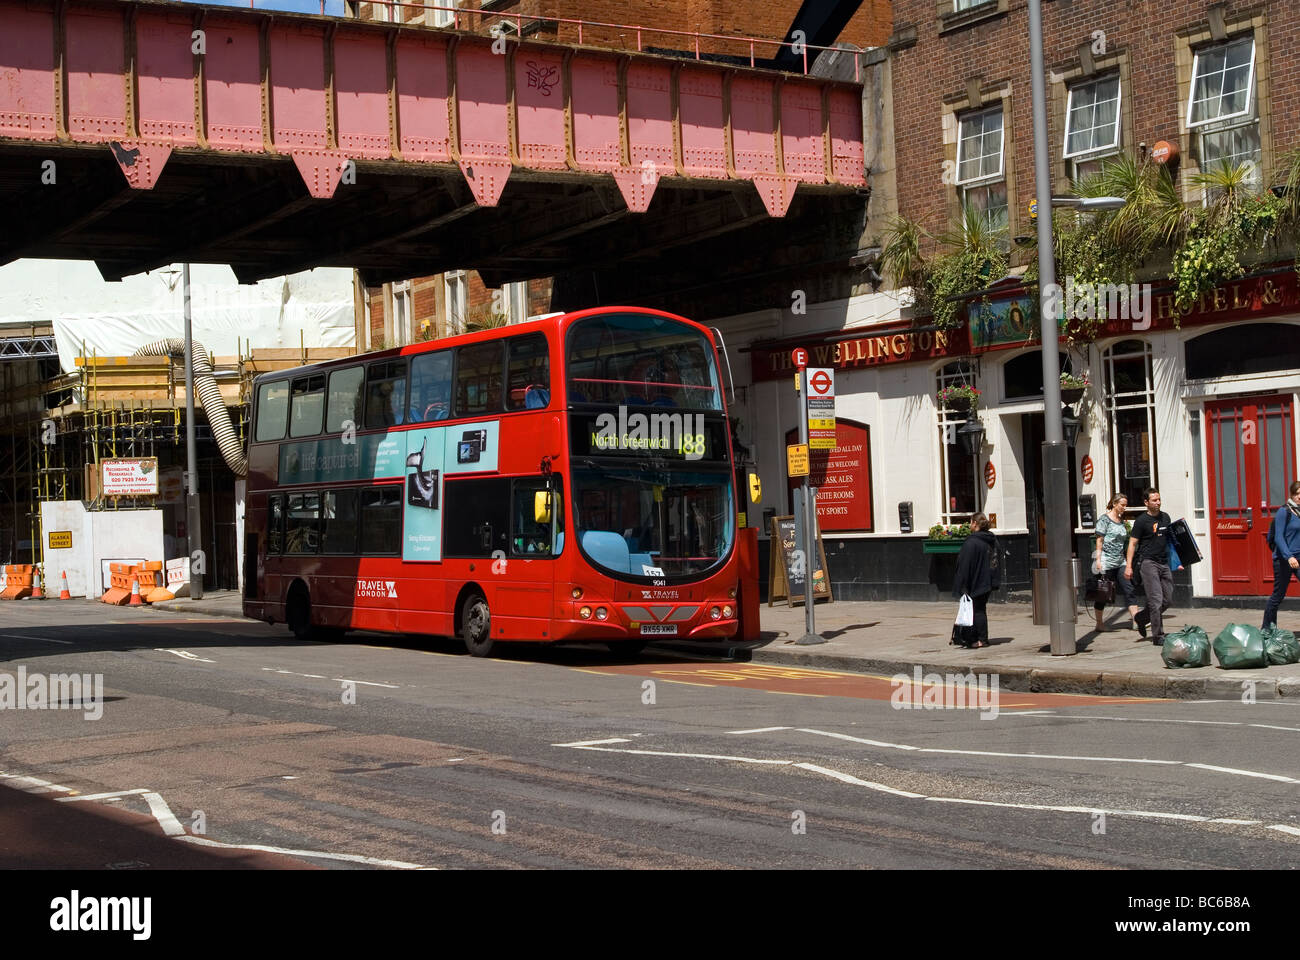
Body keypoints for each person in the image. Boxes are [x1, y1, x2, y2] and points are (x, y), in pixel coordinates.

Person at [1124, 487, 1178, 645]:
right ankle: (1158, 636)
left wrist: (1177, 562)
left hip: (1164, 562)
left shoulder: (1165, 517)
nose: (1158, 502)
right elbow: (1132, 544)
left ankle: (1141, 618)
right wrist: (1128, 566)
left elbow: (1170, 541)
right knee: (1155, 600)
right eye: (1154, 500)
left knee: (1167, 600)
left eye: (1159, 499)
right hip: (1148, 563)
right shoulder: (1141, 521)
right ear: (1146, 502)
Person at [951, 513, 1000, 649]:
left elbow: (964, 565)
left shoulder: (971, 542)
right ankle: (980, 638)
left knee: (976, 610)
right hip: (987, 581)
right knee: (980, 609)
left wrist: (962, 585)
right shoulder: (992, 539)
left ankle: (980, 640)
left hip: (975, 582)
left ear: (975, 524)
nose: (969, 525)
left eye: (970, 522)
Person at [1092, 493, 1139, 632]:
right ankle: (1099, 623)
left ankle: (1136, 621)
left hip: (1120, 561)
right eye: (1122, 505)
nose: (1124, 507)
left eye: (1125, 505)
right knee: (1103, 594)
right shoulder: (1104, 520)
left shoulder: (1121, 520)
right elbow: (1099, 541)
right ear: (1114, 504)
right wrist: (1098, 560)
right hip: (1106, 561)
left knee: (1129, 588)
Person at [1262, 481, 1300, 630]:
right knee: (1278, 595)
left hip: (1298, 558)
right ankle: (1267, 629)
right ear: (1291, 495)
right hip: (1284, 559)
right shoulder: (1284, 512)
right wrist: (1289, 556)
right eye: (1297, 494)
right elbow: (1278, 537)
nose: (1299, 497)